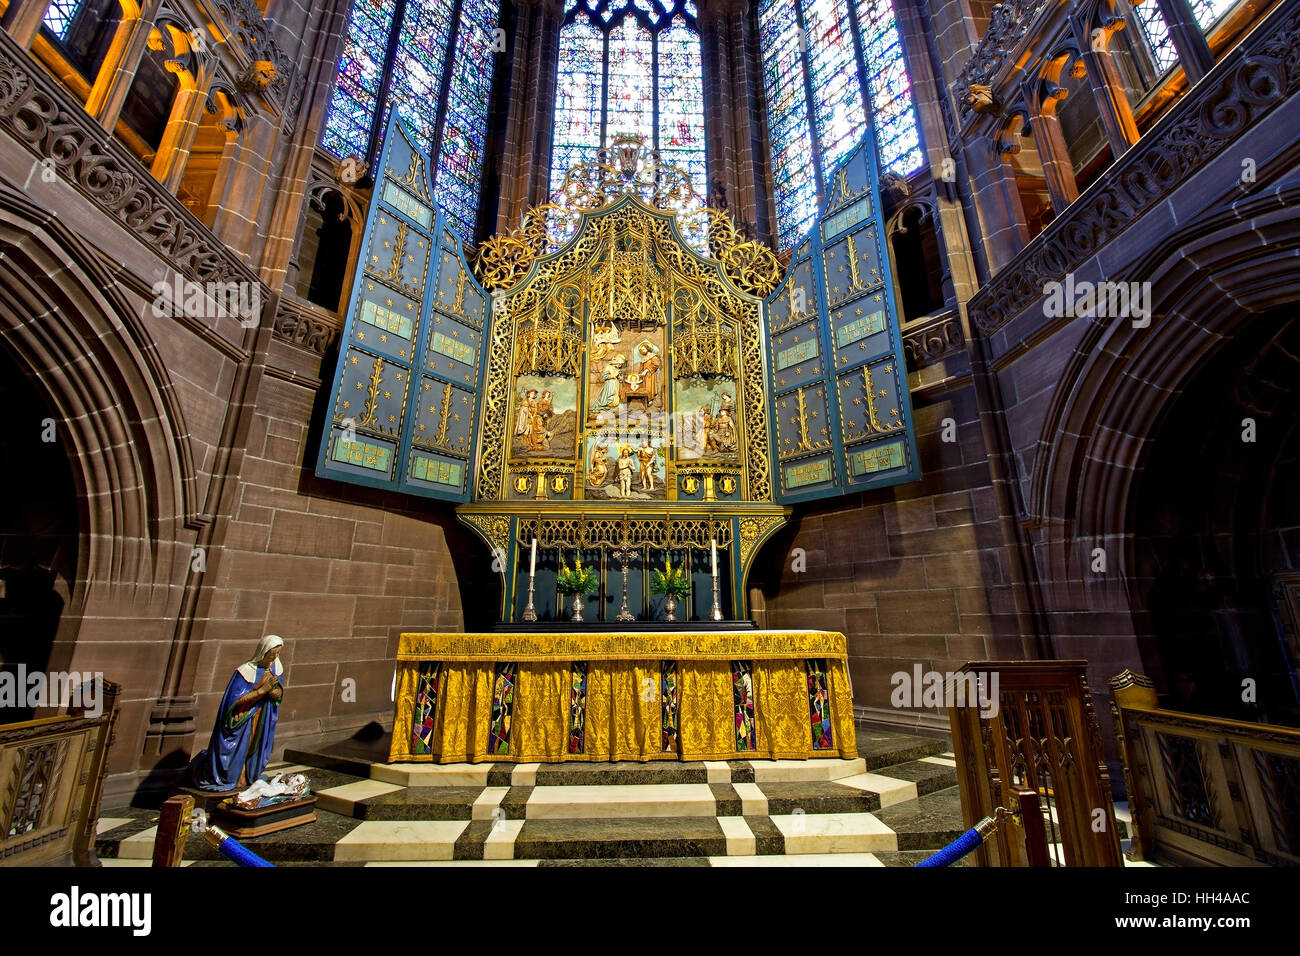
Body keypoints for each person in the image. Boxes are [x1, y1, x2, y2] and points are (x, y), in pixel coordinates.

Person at [190, 635, 286, 792]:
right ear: (263, 652)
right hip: (243, 718)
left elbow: (278, 693)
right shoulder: (246, 671)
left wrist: (274, 692)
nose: (274, 657)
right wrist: (262, 691)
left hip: (262, 717)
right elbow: (233, 702)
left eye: (277, 653)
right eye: (271, 654)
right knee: (238, 748)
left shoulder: (276, 668)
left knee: (255, 747)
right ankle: (231, 776)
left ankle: (247, 775)